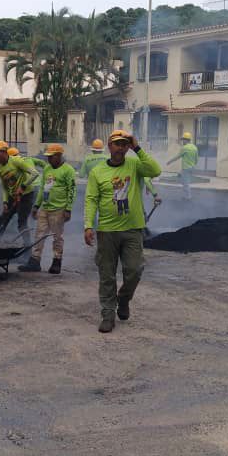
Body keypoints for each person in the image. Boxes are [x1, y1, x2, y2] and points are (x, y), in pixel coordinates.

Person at [84, 129, 162, 333]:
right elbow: (91, 199)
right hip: (107, 231)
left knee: (135, 270)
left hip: (132, 230)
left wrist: (137, 147)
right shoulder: (97, 172)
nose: (120, 147)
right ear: (109, 147)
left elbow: (155, 170)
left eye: (124, 144)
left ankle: (124, 298)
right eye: (117, 144)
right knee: (107, 275)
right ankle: (108, 315)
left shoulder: (135, 165)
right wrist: (88, 225)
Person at [20, 143, 76, 274]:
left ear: (59, 156)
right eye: (48, 156)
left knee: (57, 236)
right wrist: (36, 205)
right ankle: (35, 261)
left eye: (51, 156)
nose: (48, 159)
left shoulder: (68, 170)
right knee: (39, 234)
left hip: (59, 209)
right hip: (45, 208)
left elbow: (72, 190)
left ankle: (57, 261)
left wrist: (68, 209)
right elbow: (42, 188)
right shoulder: (47, 169)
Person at [0, 140, 40, 249]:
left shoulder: (16, 161)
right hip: (13, 197)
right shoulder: (0, 169)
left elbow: (35, 174)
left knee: (21, 223)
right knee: (2, 219)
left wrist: (23, 186)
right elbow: (4, 188)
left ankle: (27, 249)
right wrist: (5, 202)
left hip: (26, 196)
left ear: (4, 152)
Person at [166, 132, 199, 199]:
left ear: (186, 140)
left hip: (186, 168)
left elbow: (177, 157)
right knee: (184, 178)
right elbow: (196, 159)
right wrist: (193, 165)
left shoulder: (185, 148)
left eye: (183, 139)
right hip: (192, 168)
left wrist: (169, 161)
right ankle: (180, 175)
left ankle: (188, 197)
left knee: (185, 183)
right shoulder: (195, 147)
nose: (182, 141)